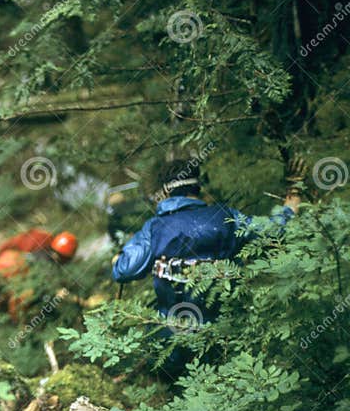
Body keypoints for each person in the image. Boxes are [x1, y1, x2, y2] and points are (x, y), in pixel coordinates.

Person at [111, 157, 305, 374]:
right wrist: (291, 201)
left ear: (165, 192)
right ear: (198, 186)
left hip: (172, 345)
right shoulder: (226, 216)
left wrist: (117, 259)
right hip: (227, 337)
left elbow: (125, 271)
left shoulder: (155, 227)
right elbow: (272, 231)